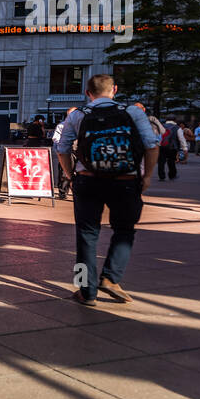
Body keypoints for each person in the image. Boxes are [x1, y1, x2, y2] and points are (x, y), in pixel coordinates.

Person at [54, 74, 160, 306]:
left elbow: (62, 149)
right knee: (124, 230)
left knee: (86, 235)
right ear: (115, 90)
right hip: (125, 180)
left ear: (87, 93)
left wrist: (71, 176)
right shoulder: (133, 112)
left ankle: (85, 290)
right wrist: (147, 176)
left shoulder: (78, 116)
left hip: (88, 180)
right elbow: (151, 145)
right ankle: (111, 278)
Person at [52, 107, 79, 199]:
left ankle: (77, 192)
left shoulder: (82, 124)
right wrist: (63, 144)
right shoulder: (62, 125)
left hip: (79, 150)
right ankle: (63, 192)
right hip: (67, 150)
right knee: (64, 172)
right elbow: (56, 138)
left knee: (79, 171)